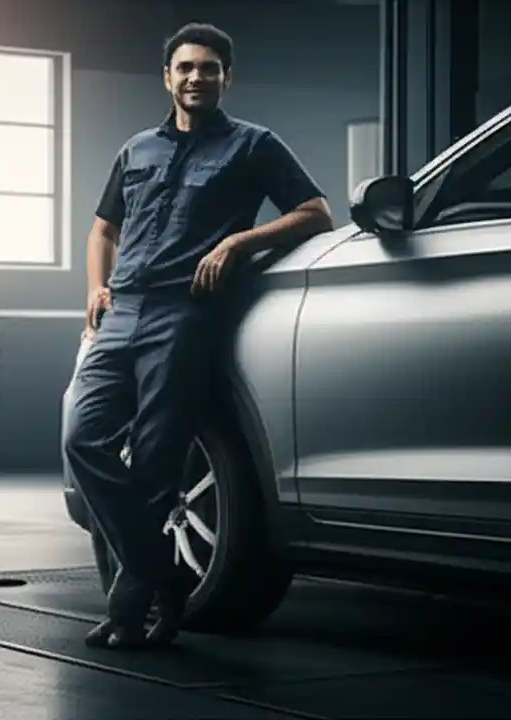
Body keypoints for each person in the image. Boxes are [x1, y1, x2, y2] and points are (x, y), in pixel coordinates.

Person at [64, 22, 334, 650]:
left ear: (225, 77)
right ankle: (159, 575)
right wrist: (95, 287)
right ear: (168, 77)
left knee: (157, 463)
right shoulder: (137, 150)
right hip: (120, 311)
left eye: (209, 68)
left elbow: (316, 213)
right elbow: (103, 228)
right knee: (84, 439)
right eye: (185, 68)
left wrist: (239, 241)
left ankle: (129, 608)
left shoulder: (253, 146)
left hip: (184, 316)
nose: (196, 78)